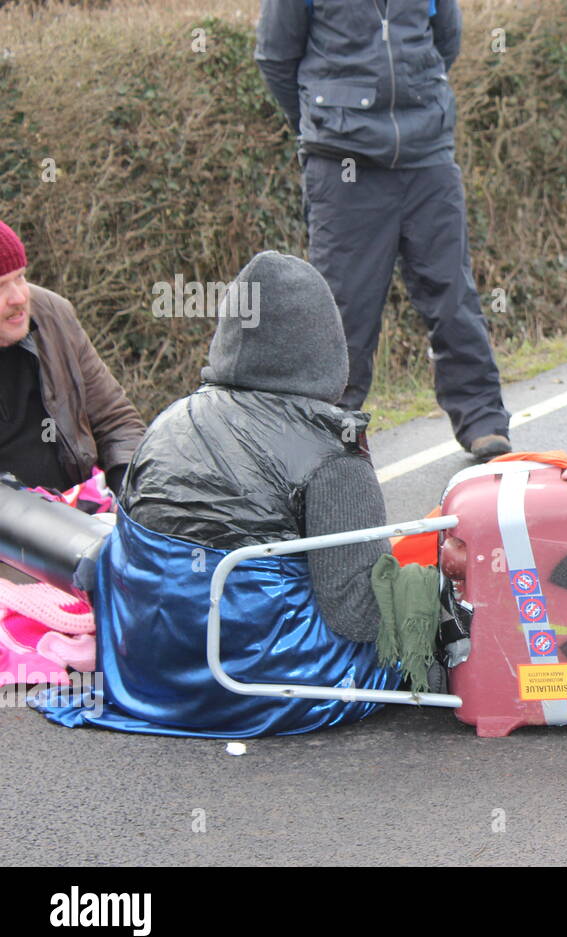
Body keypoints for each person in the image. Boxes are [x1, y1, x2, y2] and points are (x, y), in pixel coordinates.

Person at [36, 252, 401, 737]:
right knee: (418, 629)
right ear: (327, 346)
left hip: (145, 679)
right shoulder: (332, 448)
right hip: (264, 692)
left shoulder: (168, 422)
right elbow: (360, 614)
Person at [254, 0, 513, 460]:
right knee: (344, 307)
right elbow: (276, 57)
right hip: (343, 162)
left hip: (427, 153)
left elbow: (446, 39)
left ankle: (483, 421)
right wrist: (323, 124)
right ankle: (333, 436)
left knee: (452, 293)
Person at [0, 219, 144, 496]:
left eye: (20, 277)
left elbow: (115, 421)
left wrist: (131, 493)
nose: (18, 297)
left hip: (78, 514)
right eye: (1, 286)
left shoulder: (53, 315)